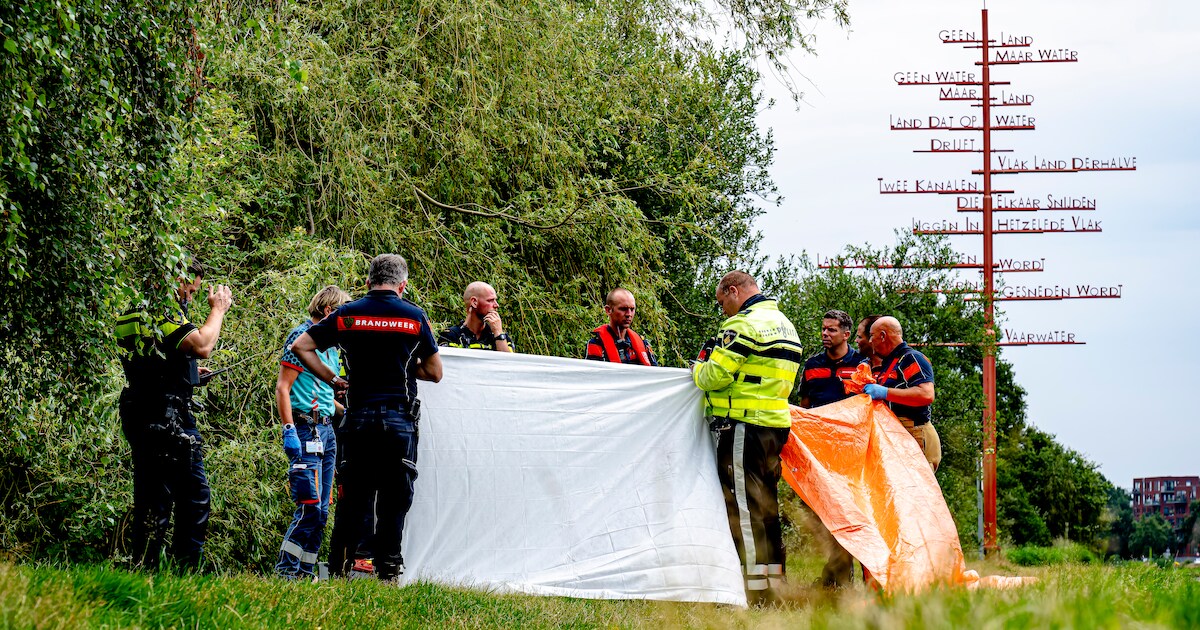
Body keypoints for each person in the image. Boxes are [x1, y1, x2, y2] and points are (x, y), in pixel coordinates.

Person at [289, 254, 443, 581]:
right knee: (393, 502)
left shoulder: (347, 314)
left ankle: (337, 575)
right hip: (399, 421)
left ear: (368, 281)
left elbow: (302, 347)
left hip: (357, 420)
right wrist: (403, 364)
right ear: (402, 285)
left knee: (352, 503)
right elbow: (435, 372)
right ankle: (388, 576)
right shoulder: (415, 317)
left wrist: (333, 380)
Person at [691, 271, 802, 605]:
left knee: (744, 508)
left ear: (734, 290)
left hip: (743, 425)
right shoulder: (785, 325)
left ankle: (755, 591)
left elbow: (711, 376)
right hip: (775, 425)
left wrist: (698, 364)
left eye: (722, 301)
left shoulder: (741, 325)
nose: (723, 309)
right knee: (768, 508)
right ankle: (774, 583)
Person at [115, 259, 233, 570]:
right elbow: (203, 344)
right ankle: (185, 570)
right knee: (194, 496)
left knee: (151, 492)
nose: (190, 296)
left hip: (139, 406)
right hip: (167, 415)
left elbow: (151, 358)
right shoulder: (160, 310)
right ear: (175, 278)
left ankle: (144, 566)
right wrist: (218, 309)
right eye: (190, 289)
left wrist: (188, 370)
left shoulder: (130, 310)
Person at [273, 285, 351, 580]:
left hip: (327, 432)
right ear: (329, 312)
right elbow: (284, 387)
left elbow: (320, 391)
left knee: (322, 512)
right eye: (343, 316)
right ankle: (285, 572)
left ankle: (306, 572)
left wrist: (348, 413)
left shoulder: (331, 347)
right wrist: (289, 429)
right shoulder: (300, 338)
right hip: (306, 429)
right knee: (309, 506)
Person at [797, 309, 863, 588]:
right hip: (818, 452)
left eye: (832, 330)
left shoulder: (861, 364)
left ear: (846, 334)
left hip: (850, 453)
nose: (825, 334)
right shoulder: (812, 365)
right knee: (821, 513)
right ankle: (835, 574)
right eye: (823, 329)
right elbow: (804, 407)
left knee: (848, 512)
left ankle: (839, 577)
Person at [863, 316, 942, 471]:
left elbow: (926, 394)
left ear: (883, 336)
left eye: (872, 336)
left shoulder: (911, 358)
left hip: (916, 435)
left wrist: (885, 392)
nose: (870, 341)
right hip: (899, 437)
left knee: (917, 492)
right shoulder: (890, 363)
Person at [584, 288, 658, 366]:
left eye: (632, 309)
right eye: (623, 309)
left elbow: (655, 373)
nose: (629, 314)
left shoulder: (642, 343)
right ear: (608, 310)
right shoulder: (597, 343)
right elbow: (593, 376)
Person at [439, 281, 514, 351]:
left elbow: (508, 363)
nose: (496, 305)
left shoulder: (502, 338)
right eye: (490, 300)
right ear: (474, 302)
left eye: (495, 300)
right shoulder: (451, 336)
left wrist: (498, 334)